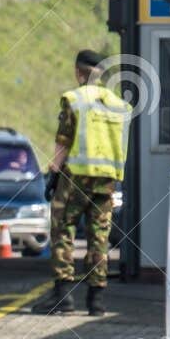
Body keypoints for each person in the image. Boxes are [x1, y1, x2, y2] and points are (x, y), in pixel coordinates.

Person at [33, 49, 129, 316]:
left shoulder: (74, 100)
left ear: (78, 72)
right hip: (106, 180)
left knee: (63, 230)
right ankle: (96, 300)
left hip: (76, 177)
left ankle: (63, 295)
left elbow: (63, 141)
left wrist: (53, 174)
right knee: (99, 236)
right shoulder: (117, 104)